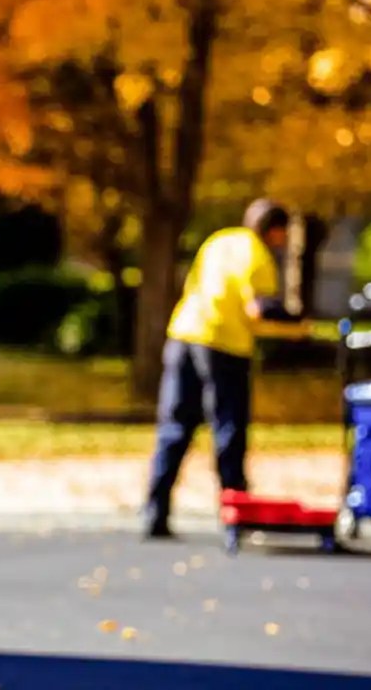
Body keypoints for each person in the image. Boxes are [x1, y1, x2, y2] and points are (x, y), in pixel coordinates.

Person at [142, 198, 291, 539]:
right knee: (229, 429)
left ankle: (155, 510)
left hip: (183, 334)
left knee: (175, 425)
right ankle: (235, 516)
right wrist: (297, 324)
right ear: (275, 231)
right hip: (224, 345)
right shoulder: (258, 255)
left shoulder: (219, 240)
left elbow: (195, 284)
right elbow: (258, 309)